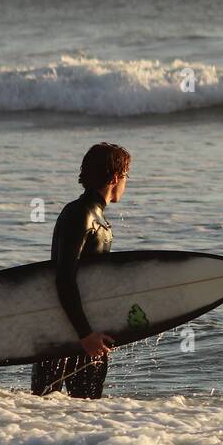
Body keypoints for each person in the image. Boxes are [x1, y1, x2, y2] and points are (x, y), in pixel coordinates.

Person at [31, 142, 131, 399]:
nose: (126, 183)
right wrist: (85, 334)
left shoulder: (98, 219)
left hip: (87, 332)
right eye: (127, 176)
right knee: (43, 408)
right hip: (65, 332)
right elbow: (64, 278)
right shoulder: (80, 214)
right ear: (117, 176)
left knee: (85, 412)